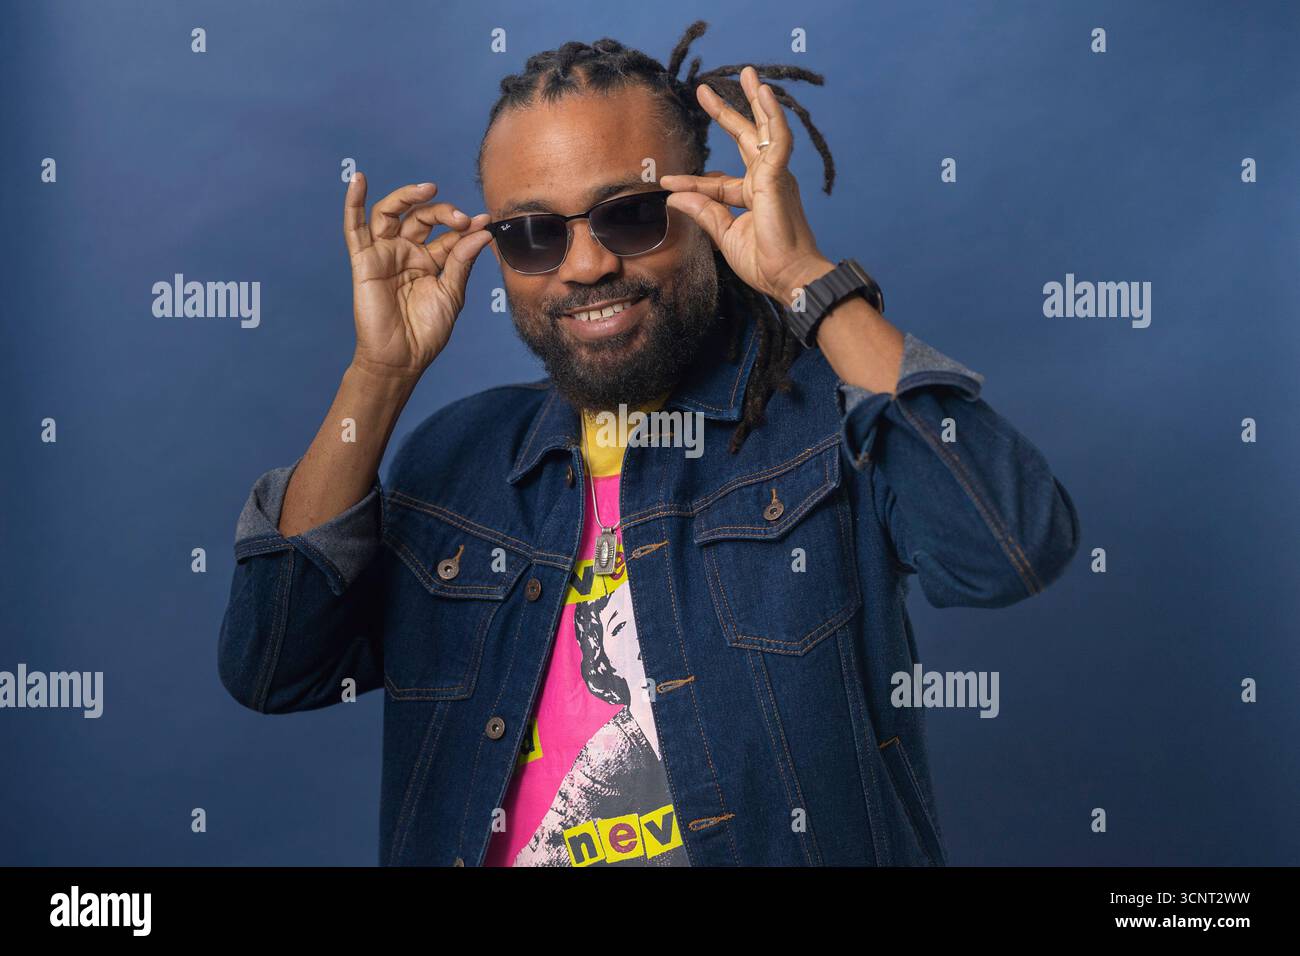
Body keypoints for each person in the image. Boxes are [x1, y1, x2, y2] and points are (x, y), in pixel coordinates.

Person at [218, 21, 1080, 867]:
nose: (585, 264)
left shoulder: (827, 420)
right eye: (533, 233)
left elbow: (1008, 545)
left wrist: (807, 280)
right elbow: (274, 665)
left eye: (629, 216)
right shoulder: (457, 462)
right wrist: (381, 371)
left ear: (705, 203)